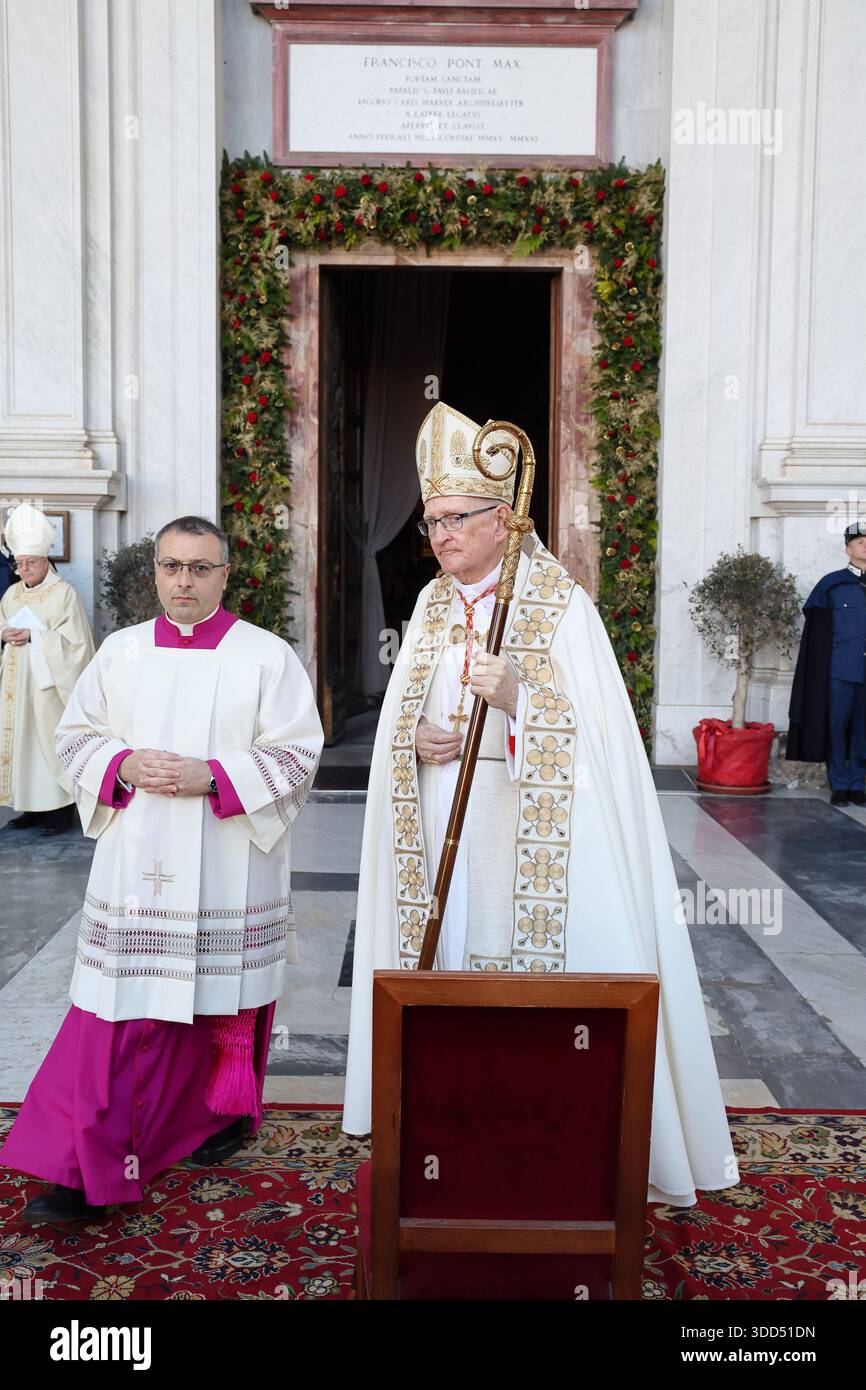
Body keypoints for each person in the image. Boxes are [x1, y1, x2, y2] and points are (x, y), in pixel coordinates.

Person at [342, 401, 739, 1208]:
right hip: (438, 829)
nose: (442, 535)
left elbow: (603, 749)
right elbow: (398, 719)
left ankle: (543, 1132)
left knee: (520, 994)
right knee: (444, 976)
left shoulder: (560, 607)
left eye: (456, 518)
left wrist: (524, 699)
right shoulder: (426, 607)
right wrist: (412, 736)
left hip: (527, 843)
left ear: (504, 519)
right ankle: (444, 1129)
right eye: (432, 522)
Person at [2, 515, 323, 1222]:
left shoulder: (265, 657)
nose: (184, 580)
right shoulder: (120, 653)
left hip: (227, 856)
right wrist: (120, 763)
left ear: (225, 574)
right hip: (136, 863)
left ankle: (216, 1116)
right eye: (172, 566)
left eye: (200, 568)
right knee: (115, 1014)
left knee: (216, 1001)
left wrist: (213, 776)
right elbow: (74, 736)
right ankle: (85, 1162)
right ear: (155, 573)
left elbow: (300, 755)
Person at [0, 503, 95, 835]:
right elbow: (2, 623)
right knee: (22, 744)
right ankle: (30, 808)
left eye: (30, 563)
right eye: (20, 563)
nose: (24, 569)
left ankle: (59, 811)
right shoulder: (11, 595)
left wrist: (35, 638)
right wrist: (4, 633)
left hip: (48, 687)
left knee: (46, 744)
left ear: (45, 562)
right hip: (15, 685)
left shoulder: (64, 594)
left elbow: (77, 644)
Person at [786, 521, 866, 806]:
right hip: (840, 671)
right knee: (836, 727)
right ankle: (840, 783)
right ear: (847, 549)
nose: (865, 546)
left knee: (862, 729)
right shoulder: (832, 586)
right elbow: (818, 635)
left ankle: (858, 783)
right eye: (859, 542)